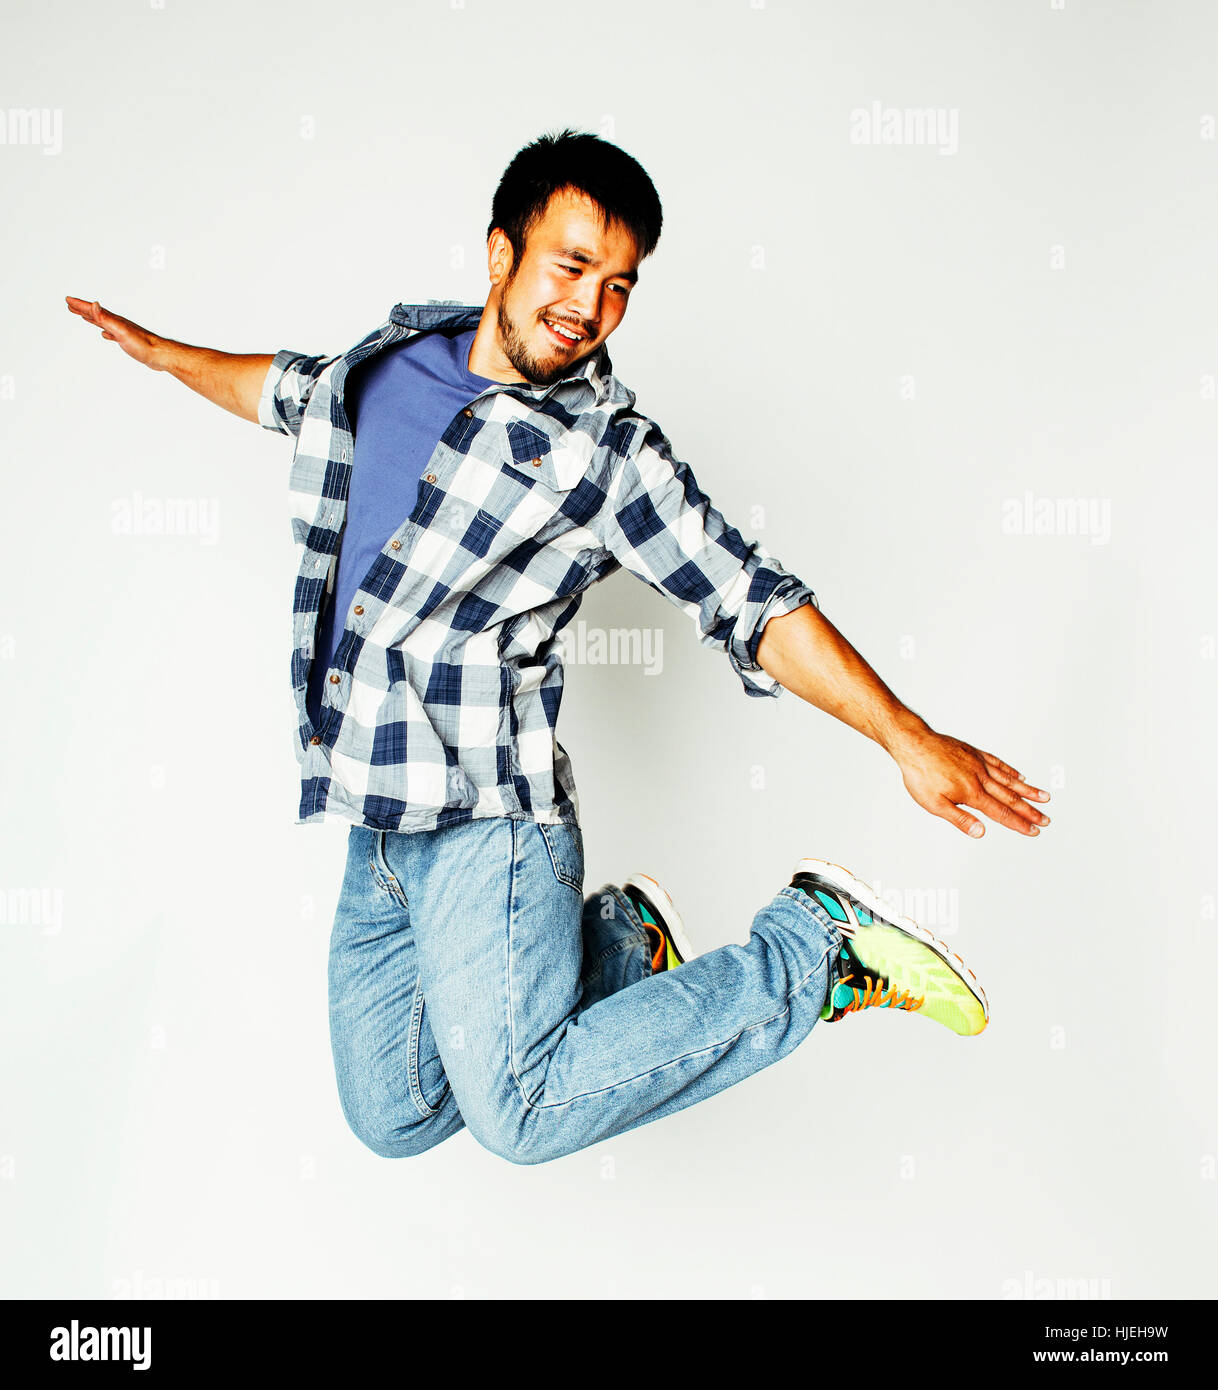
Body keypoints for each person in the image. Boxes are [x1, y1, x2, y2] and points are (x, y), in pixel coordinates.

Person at [65, 127, 1050, 1166]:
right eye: (571, 266)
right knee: (393, 1110)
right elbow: (285, 392)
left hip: (494, 819)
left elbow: (749, 598)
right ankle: (620, 941)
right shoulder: (391, 363)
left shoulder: (604, 455)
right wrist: (165, 353)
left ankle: (816, 946)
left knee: (520, 1112)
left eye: (620, 285)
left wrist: (907, 735)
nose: (589, 305)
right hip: (381, 817)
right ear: (502, 253)